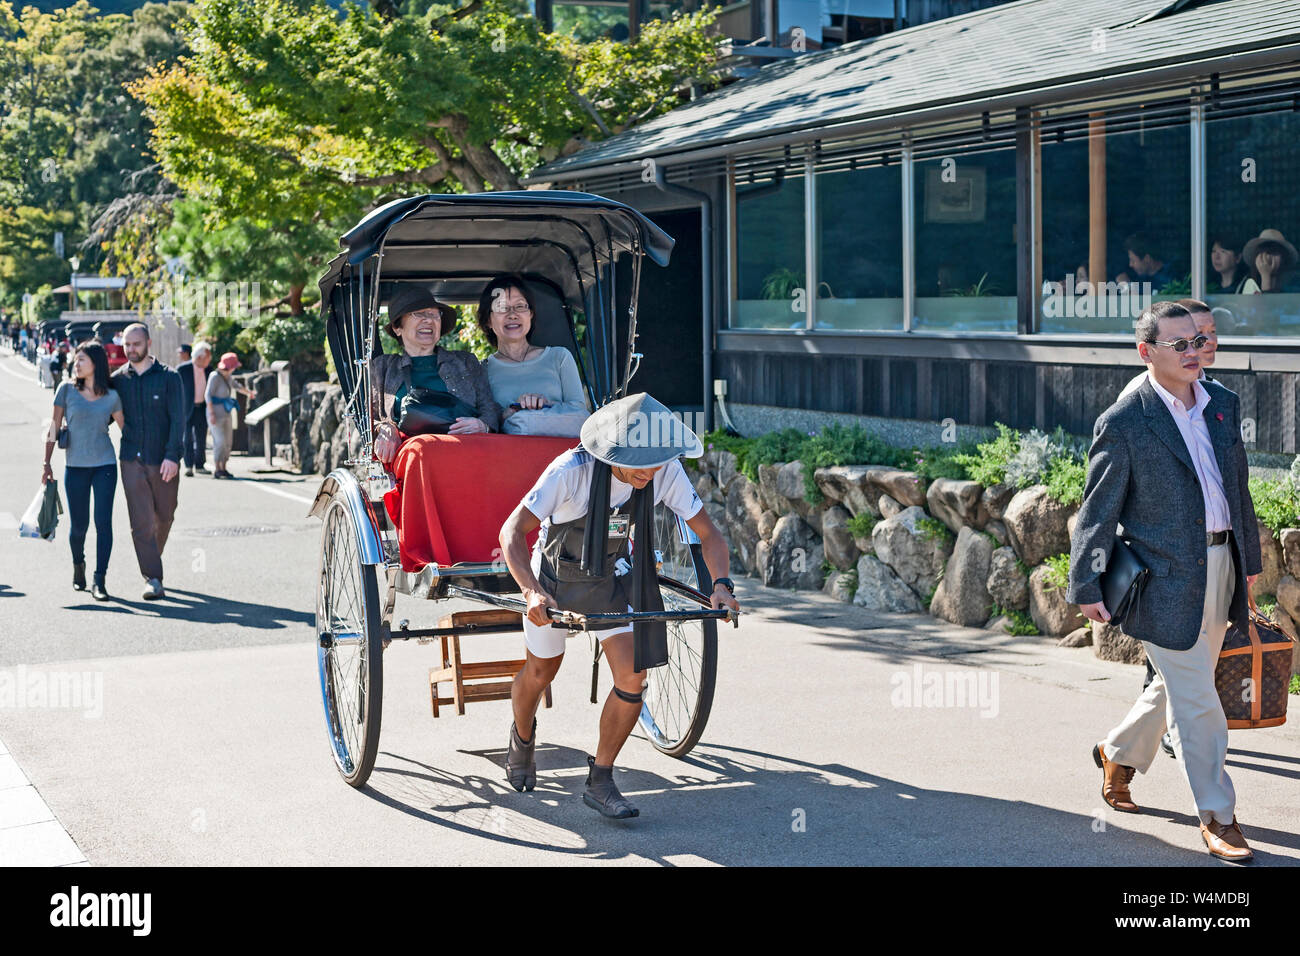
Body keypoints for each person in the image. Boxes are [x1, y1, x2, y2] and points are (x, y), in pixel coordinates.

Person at [1068, 300, 1262, 862]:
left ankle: (1116, 752)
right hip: (1164, 580)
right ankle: (1218, 815)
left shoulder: (1221, 404)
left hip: (1222, 566)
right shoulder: (1127, 421)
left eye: (1198, 340)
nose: (1194, 351)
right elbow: (1097, 512)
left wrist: (1248, 557)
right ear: (1146, 351)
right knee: (1200, 700)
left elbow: (1236, 489)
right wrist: (1087, 583)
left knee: (1182, 682)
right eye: (1179, 344)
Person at [498, 392, 741, 819]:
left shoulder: (663, 472)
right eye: (639, 461)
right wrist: (531, 591)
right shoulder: (569, 472)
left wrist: (720, 585)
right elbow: (511, 532)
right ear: (612, 452)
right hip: (554, 579)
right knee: (541, 672)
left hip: (611, 577)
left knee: (634, 676)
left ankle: (602, 778)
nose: (649, 471)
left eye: (655, 460)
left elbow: (710, 535)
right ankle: (522, 737)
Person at [370, 286, 502, 464]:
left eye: (434, 314)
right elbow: (367, 421)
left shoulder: (465, 362)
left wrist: (483, 425)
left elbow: (490, 408)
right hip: (411, 461)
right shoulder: (382, 367)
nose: (428, 320)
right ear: (397, 327)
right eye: (418, 314)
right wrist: (386, 428)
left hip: (467, 453)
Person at [45, 342, 123, 601]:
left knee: (103, 523)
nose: (76, 364)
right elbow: (54, 428)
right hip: (75, 467)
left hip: (105, 466)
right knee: (79, 526)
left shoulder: (111, 395)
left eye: (82, 360)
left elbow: (128, 431)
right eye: (75, 359)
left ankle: (100, 580)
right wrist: (46, 464)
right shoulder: (65, 390)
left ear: (96, 364)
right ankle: (79, 565)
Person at [113, 322, 185, 601]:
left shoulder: (170, 377)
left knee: (165, 515)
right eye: (127, 345)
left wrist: (172, 455)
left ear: (148, 343)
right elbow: (102, 410)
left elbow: (179, 420)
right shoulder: (118, 379)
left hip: (162, 459)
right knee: (141, 521)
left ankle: (151, 558)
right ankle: (152, 578)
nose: (131, 349)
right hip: (131, 459)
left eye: (136, 344)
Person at [477, 275, 590, 437]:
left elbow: (580, 413)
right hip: (509, 456)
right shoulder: (482, 370)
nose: (512, 314)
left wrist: (545, 404)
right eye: (502, 307)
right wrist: (506, 415)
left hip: (564, 457)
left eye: (520, 306)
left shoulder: (560, 357)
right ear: (488, 319)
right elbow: (484, 423)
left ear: (531, 314)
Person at [205, 352, 253, 479]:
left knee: (228, 442)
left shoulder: (228, 377)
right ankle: (217, 468)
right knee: (219, 441)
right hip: (215, 413)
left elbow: (237, 387)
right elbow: (208, 395)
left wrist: (249, 393)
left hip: (226, 413)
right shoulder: (214, 376)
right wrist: (211, 414)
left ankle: (224, 467)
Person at [177, 342, 214, 476]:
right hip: (186, 408)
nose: (209, 361)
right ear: (199, 357)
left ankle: (200, 465)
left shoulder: (209, 370)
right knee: (187, 438)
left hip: (201, 408)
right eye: (207, 358)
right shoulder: (182, 369)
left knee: (201, 437)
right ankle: (188, 466)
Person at [1242, 228, 1298, 293]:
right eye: (1262, 253)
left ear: (1283, 257)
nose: (1267, 258)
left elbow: (1270, 302)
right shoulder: (1249, 283)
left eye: (1274, 253)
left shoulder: (1294, 282)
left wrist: (1266, 277)